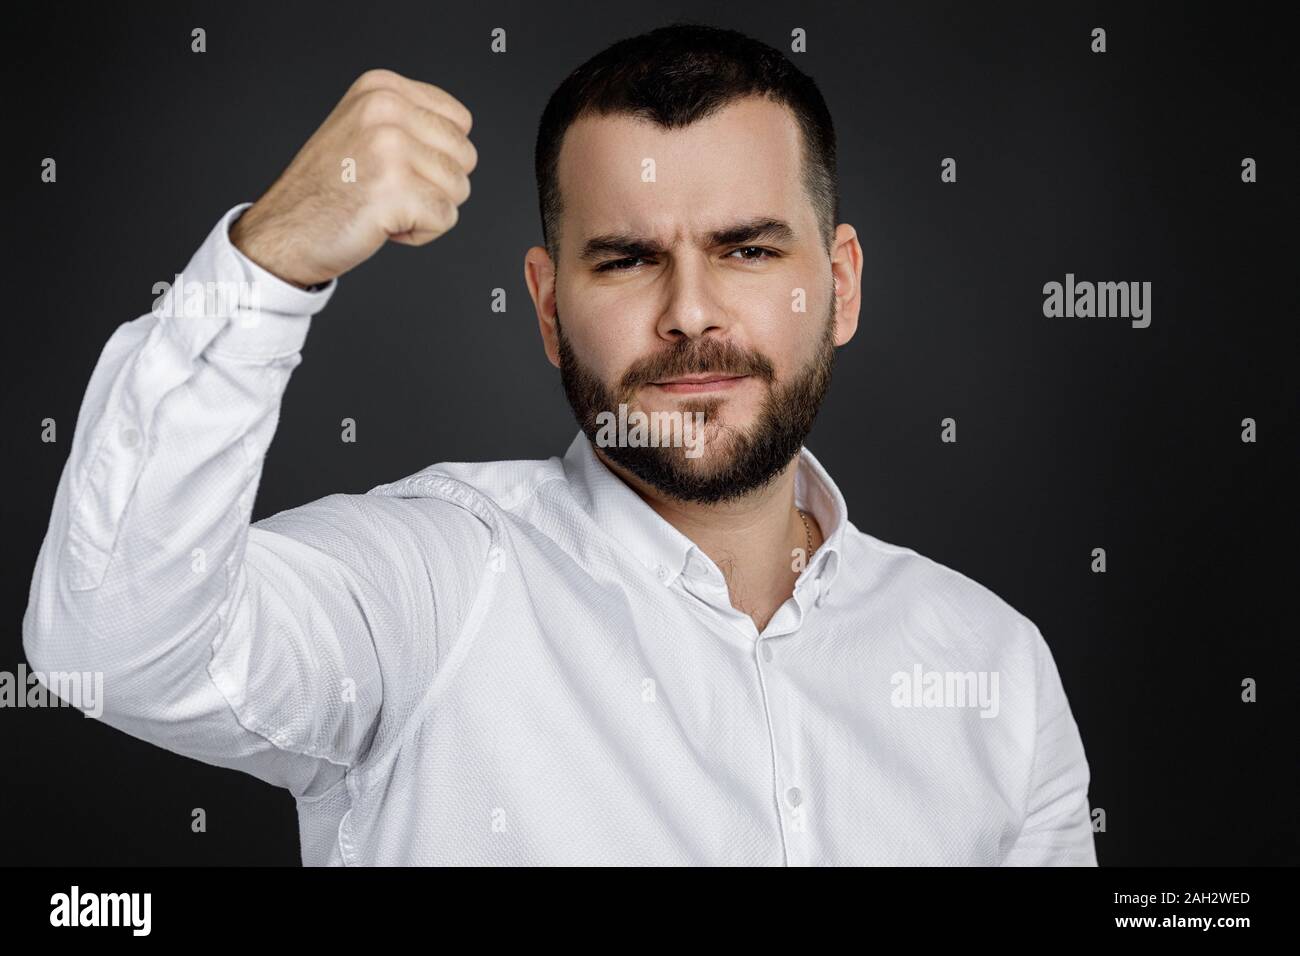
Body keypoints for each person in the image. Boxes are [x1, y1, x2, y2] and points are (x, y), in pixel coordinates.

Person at [23, 23, 1097, 865]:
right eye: (628, 259)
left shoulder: (991, 665)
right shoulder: (434, 591)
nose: (690, 313)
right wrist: (274, 260)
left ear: (841, 283)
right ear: (546, 308)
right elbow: (113, 645)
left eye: (747, 248)